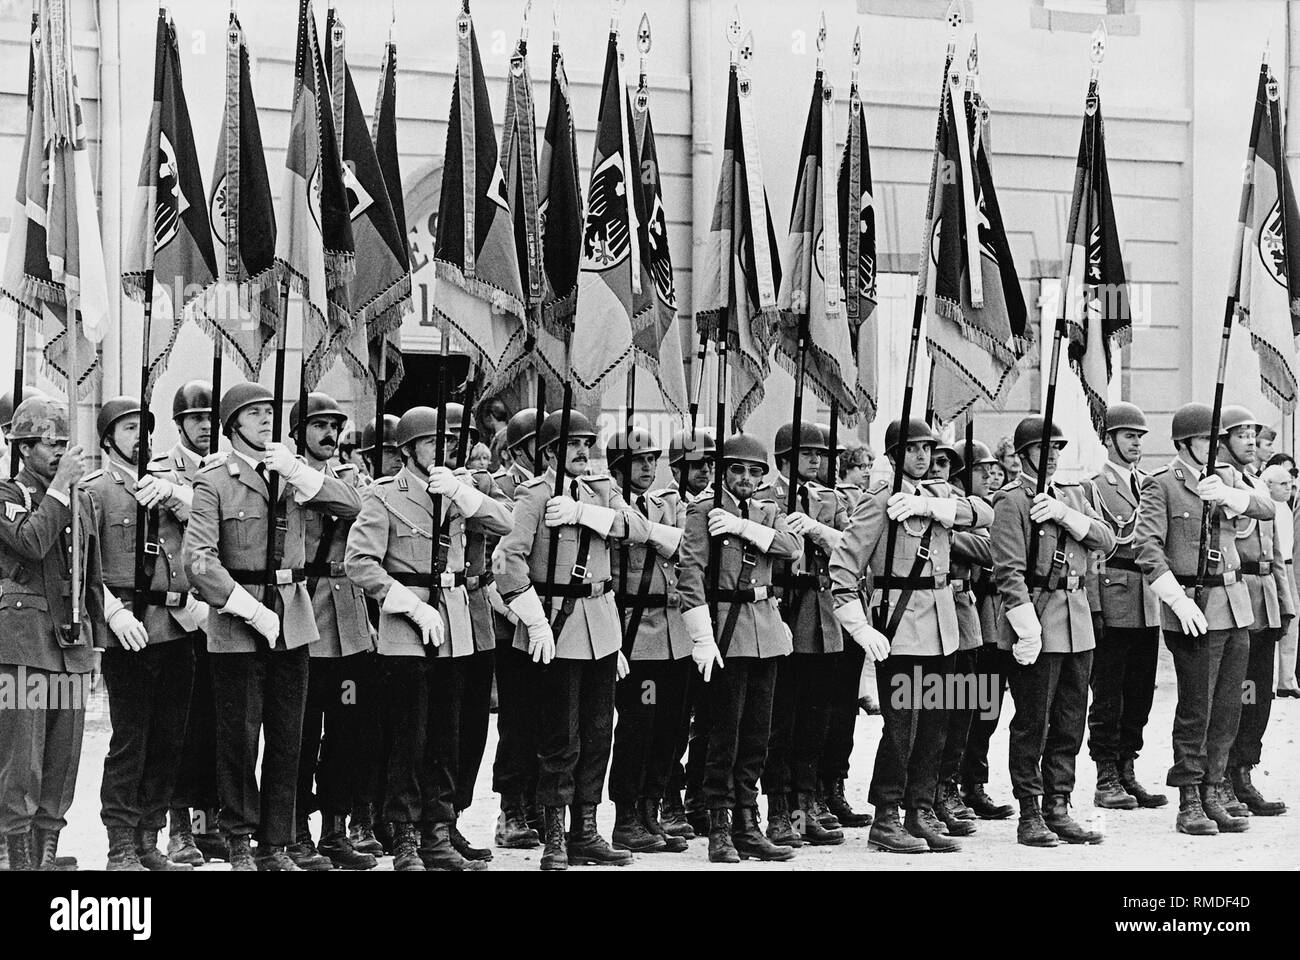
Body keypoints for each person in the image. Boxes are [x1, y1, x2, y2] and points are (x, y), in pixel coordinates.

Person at [183, 382, 362, 871]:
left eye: (269, 412)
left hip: (294, 617)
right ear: (232, 425)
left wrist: (300, 473)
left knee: (288, 735)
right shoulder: (214, 478)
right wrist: (248, 608)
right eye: (254, 413)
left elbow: (353, 507)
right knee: (239, 737)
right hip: (239, 621)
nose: (266, 420)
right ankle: (238, 837)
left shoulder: (292, 473)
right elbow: (198, 560)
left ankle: (275, 842)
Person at [346, 404, 509, 872]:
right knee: (408, 738)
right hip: (408, 628)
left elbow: (505, 524)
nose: (444, 449)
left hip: (455, 625)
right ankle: (404, 837)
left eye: (452, 442)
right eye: (433, 441)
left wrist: (462, 492)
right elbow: (360, 562)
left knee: (446, 737)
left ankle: (439, 832)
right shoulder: (385, 496)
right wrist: (408, 604)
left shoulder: (461, 488)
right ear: (408, 448)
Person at [492, 409, 655, 871]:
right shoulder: (534, 495)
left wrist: (589, 513)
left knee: (599, 733)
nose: (584, 452)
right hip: (556, 628)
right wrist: (533, 618)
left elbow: (640, 532)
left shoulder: (603, 492)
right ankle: (555, 838)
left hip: (601, 627)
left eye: (588, 443)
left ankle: (586, 830)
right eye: (572, 445)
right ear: (548, 453)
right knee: (559, 738)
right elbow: (507, 561)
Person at [830, 417, 990, 854]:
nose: (922, 458)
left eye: (927, 450)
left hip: (942, 629)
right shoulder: (878, 501)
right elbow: (843, 568)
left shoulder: (939, 494)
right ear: (893, 455)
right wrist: (859, 627)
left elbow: (984, 514)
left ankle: (920, 810)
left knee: (936, 727)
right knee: (903, 728)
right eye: (913, 450)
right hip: (899, 631)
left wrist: (931, 508)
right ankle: (886, 815)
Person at [1133, 401, 1266, 836]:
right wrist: (1176, 599)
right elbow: (1147, 549)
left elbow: (1264, 507)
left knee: (1229, 706)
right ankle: (1189, 798)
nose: (1216, 446)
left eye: (1217, 439)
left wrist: (1230, 495)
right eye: (1207, 439)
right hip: (1194, 605)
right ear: (1184, 442)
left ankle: (1215, 789)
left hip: (1233, 603)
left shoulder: (1224, 479)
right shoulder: (1162, 485)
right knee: (1197, 708)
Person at [87, 397, 203, 871]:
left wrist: (175, 496)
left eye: (144, 427)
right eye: (129, 427)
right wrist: (112, 613)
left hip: (176, 627)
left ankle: (148, 839)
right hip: (130, 630)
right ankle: (119, 844)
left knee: (168, 739)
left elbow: (207, 530)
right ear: (108, 437)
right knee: (131, 741)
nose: (140, 436)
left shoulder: (169, 485)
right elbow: (84, 570)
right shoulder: (95, 491)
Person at [991, 416, 1116, 848]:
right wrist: (1026, 629)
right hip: (1039, 621)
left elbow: (1107, 540)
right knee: (1032, 722)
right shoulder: (1011, 500)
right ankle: (1030, 809)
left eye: (1057, 449)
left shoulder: (1073, 494)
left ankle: (1058, 804)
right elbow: (1007, 573)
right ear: (1025, 454)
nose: (1054, 456)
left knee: (1069, 720)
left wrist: (1066, 515)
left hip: (1077, 620)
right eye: (1045, 449)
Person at [677, 433, 801, 863]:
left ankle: (750, 823)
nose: (746, 478)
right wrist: (701, 637)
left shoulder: (768, 510)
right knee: (722, 736)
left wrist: (745, 527)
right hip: (725, 631)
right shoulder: (703, 511)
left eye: (754, 471)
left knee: (757, 736)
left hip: (765, 630)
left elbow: (792, 549)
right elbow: (689, 575)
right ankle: (720, 827)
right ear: (722, 472)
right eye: (738, 470)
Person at [0, 396, 104, 871]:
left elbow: (92, 575)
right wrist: (60, 489)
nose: (60, 452)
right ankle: (18, 858)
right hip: (23, 644)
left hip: (72, 645)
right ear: (22, 449)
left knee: (62, 762)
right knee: (22, 762)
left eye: (64, 442)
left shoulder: (81, 500)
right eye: (48, 444)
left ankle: (45, 855)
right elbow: (31, 542)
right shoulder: (7, 495)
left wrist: (97, 643)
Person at [289, 393, 379, 871]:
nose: (329, 434)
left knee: (346, 733)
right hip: (305, 622)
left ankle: (335, 828)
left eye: (334, 425)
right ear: (298, 429)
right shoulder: (280, 474)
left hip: (348, 626)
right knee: (300, 736)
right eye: (318, 424)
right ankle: (296, 829)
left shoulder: (351, 479)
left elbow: (358, 507)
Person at [756, 421, 847, 847]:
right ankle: (778, 809)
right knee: (782, 719)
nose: (817, 461)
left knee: (815, 719)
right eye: (808, 454)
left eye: (821, 455)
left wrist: (817, 529)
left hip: (822, 615)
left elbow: (851, 546)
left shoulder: (830, 499)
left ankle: (806, 804)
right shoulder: (764, 498)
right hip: (784, 609)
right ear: (785, 460)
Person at [606, 428, 693, 854]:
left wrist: (643, 528)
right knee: (639, 727)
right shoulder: (606, 505)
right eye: (638, 460)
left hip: (676, 632)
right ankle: (626, 816)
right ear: (617, 466)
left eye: (652, 460)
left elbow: (685, 547)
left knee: (671, 730)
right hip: (635, 633)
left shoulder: (669, 503)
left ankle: (651, 811)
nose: (647, 467)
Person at [1080, 402, 1168, 811]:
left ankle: (1128, 766)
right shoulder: (1093, 488)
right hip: (1112, 599)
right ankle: (1106, 775)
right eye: (1129, 435)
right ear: (1109, 438)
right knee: (1109, 693)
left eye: (1139, 437)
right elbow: (1091, 555)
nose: (1136, 443)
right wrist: (1095, 607)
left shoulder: (1150, 485)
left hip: (1147, 601)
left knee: (1140, 692)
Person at [158, 380, 224, 865]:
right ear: (179, 423)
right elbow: (165, 546)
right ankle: (178, 827)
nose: (205, 425)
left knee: (220, 725)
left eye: (209, 418)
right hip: (183, 615)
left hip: (227, 612)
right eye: (196, 418)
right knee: (181, 726)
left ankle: (208, 821)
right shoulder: (162, 471)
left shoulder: (226, 470)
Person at [1217, 406, 1291, 816]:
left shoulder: (1254, 485)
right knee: (1235, 693)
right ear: (1224, 440)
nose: (1249, 440)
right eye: (1240, 434)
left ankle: (1244, 769)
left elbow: (1275, 554)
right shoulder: (1222, 483)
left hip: (1264, 602)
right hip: (1236, 598)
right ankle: (1225, 774)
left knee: (1258, 694)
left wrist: (1285, 606)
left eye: (1252, 434)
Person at [488, 408, 547, 848]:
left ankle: (540, 806)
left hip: (555, 618)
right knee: (519, 719)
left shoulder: (558, 489)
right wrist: (521, 614)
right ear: (520, 448)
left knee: (550, 720)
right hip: (511, 621)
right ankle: (511, 810)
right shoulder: (502, 488)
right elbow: (497, 562)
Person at [951, 440, 1017, 821]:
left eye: (994, 469)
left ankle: (974, 783)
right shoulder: (958, 512)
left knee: (988, 708)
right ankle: (954, 780)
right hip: (966, 616)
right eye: (981, 470)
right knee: (960, 704)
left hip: (995, 617)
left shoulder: (996, 509)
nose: (991, 476)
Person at [661, 427, 717, 839]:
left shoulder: (719, 507)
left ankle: (700, 795)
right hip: (670, 627)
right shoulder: (666, 505)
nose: (705, 471)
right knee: (673, 720)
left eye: (710, 464)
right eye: (697, 464)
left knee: (711, 719)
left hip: (715, 624)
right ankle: (669, 799)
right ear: (678, 468)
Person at [1261, 464, 1300, 698]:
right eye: (1283, 484)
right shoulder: (1264, 508)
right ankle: (1265, 682)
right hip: (1269, 569)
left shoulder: (1286, 507)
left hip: (1287, 566)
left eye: (1290, 483)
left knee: (1291, 622)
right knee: (1268, 625)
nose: (1289, 488)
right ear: (1268, 486)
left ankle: (1286, 680)